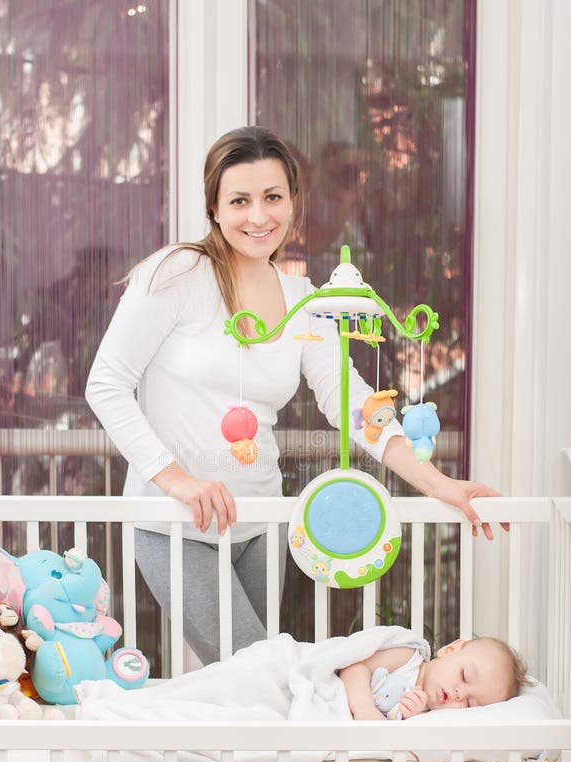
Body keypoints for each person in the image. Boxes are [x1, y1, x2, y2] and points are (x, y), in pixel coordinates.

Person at [85, 125, 503, 666]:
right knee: (261, 673)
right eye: (240, 200)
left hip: (262, 519)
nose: (258, 217)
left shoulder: (303, 298)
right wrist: (178, 480)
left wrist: (438, 484)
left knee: (255, 685)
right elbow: (106, 383)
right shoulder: (176, 275)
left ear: (293, 204)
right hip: (174, 522)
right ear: (214, 207)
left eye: (272, 198)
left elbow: (352, 402)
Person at [339, 636, 530, 721]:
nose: (459, 694)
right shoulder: (408, 657)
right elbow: (354, 667)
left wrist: (412, 717)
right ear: (450, 650)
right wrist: (365, 710)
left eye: (471, 704)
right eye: (464, 676)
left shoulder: (428, 717)